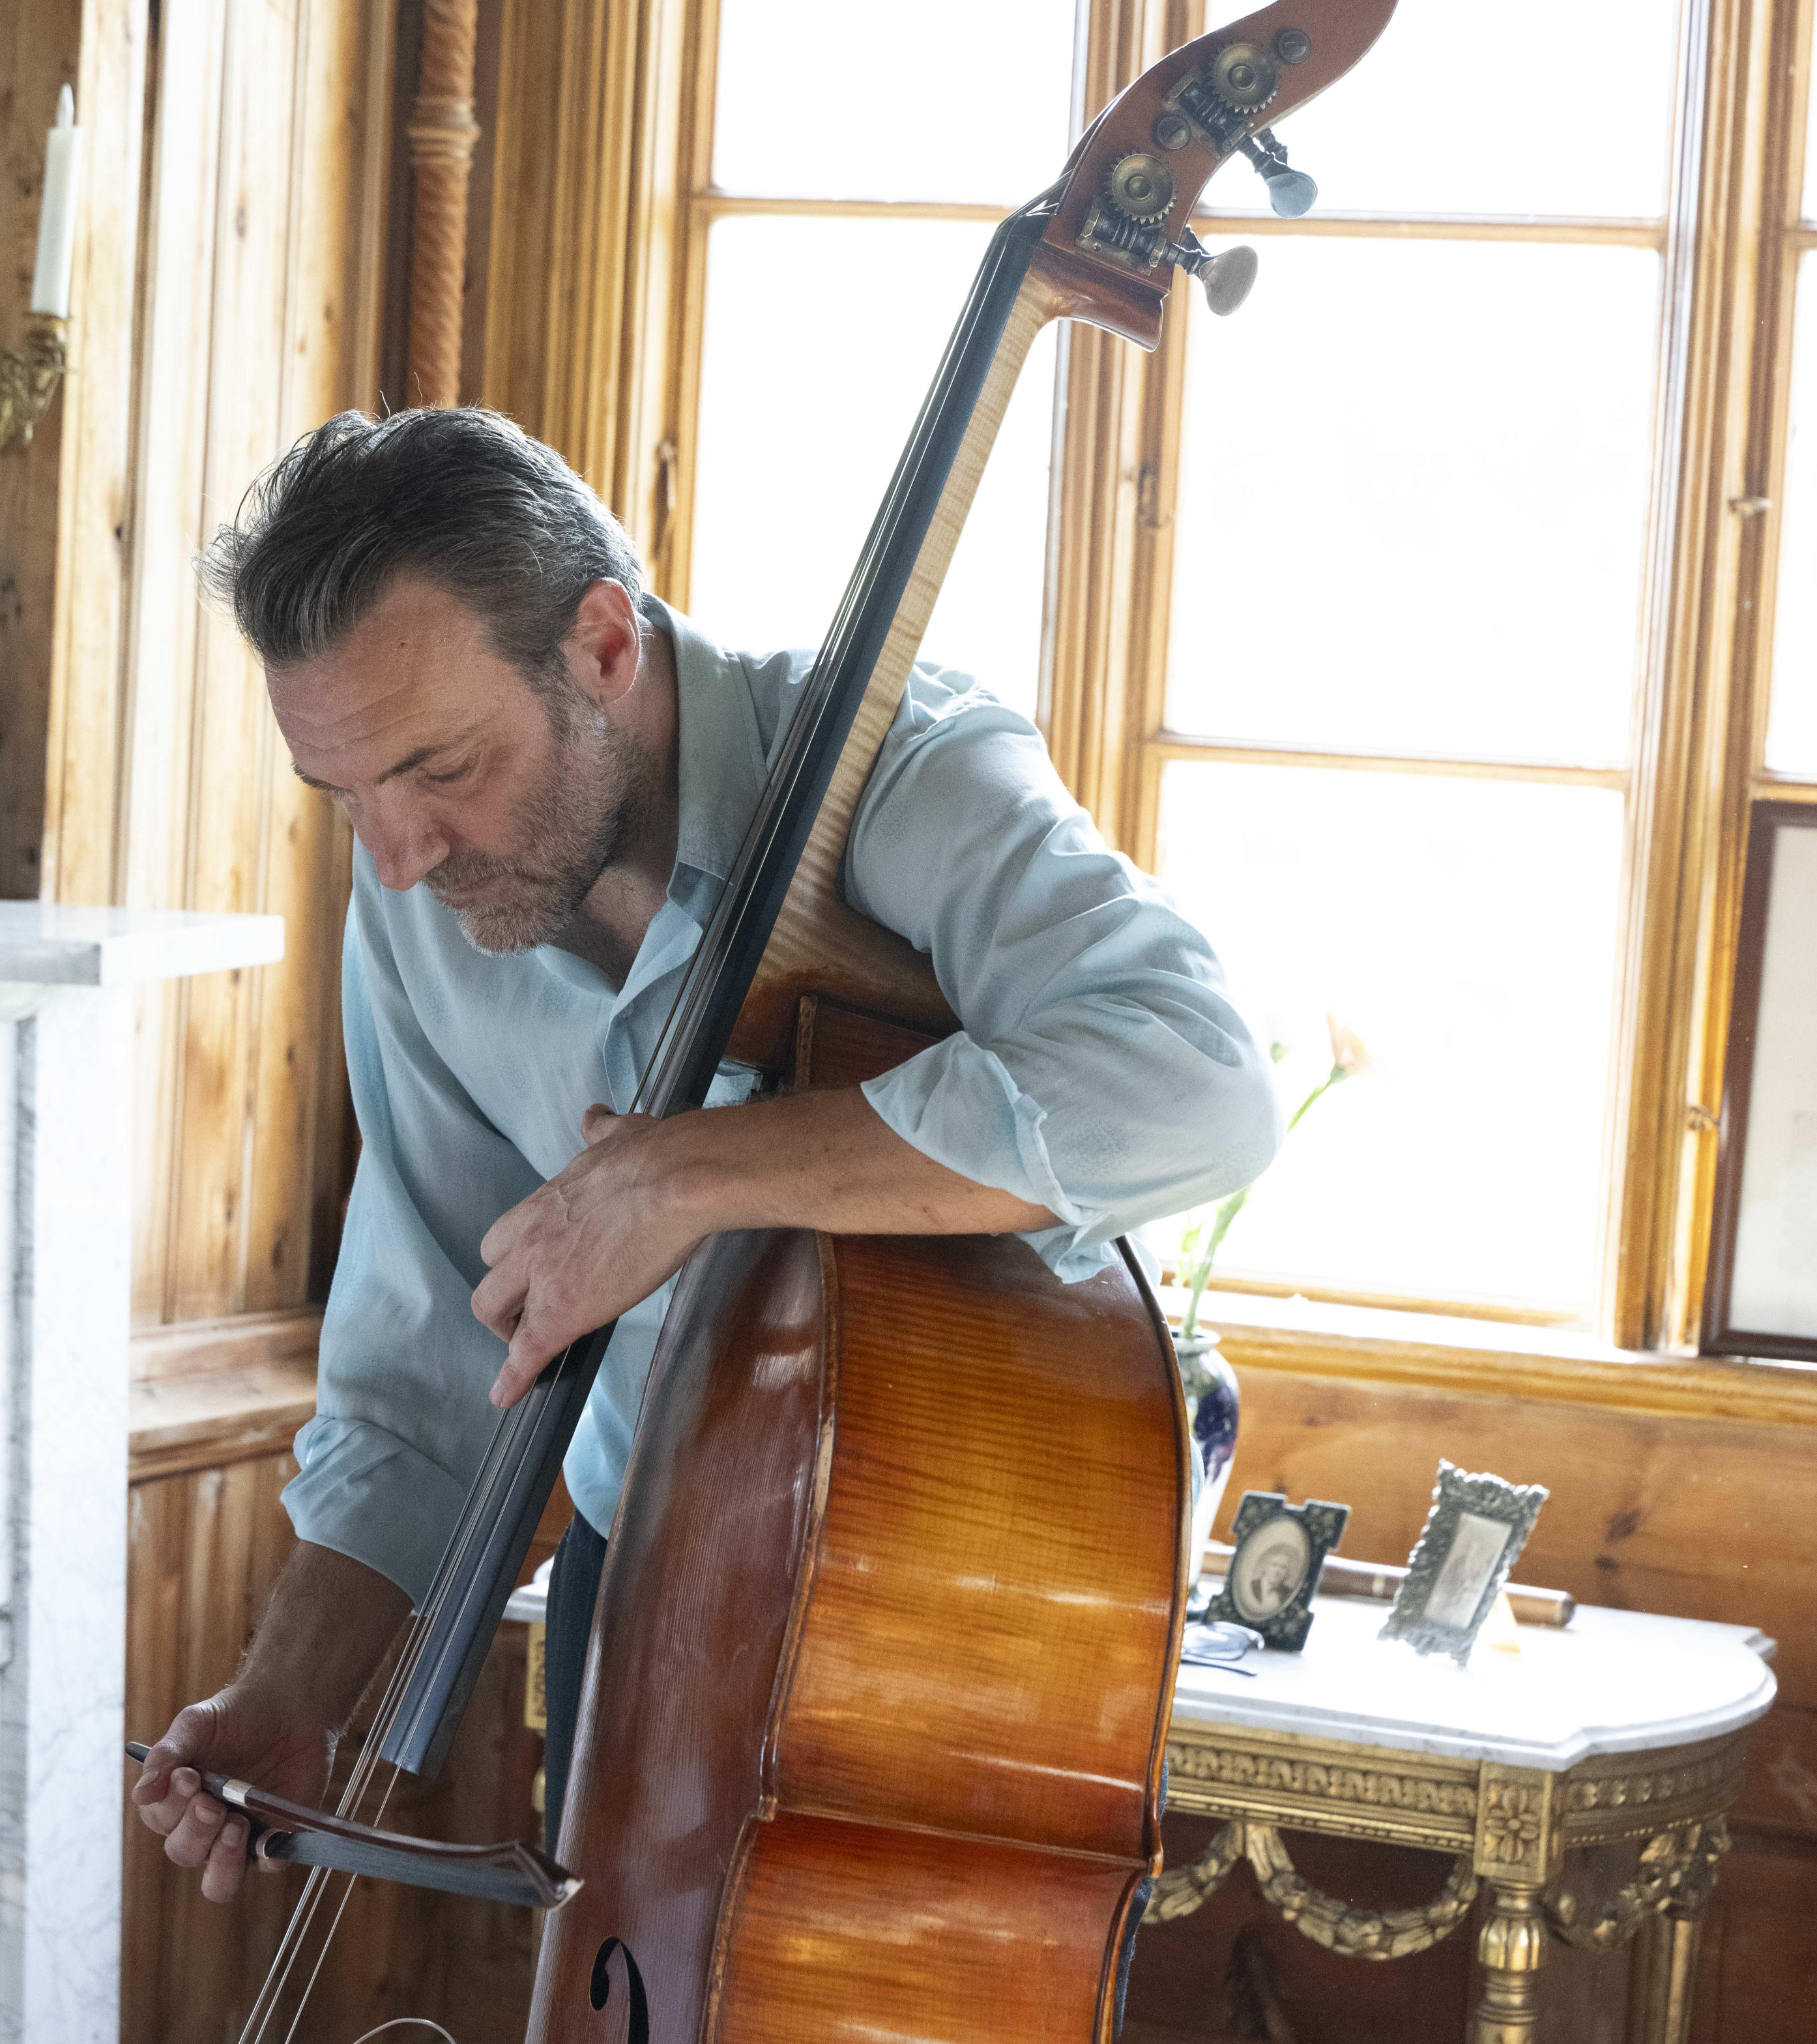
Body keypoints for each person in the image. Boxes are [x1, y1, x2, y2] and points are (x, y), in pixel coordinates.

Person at [132, 405, 1281, 1899]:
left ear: (604, 646)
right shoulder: (418, 903)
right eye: (345, 796)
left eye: (441, 769)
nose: (398, 857)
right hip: (642, 1582)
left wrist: (685, 1175)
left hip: (940, 1612)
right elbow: (424, 1386)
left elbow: (1195, 1083)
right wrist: (290, 1694)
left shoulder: (896, 766)